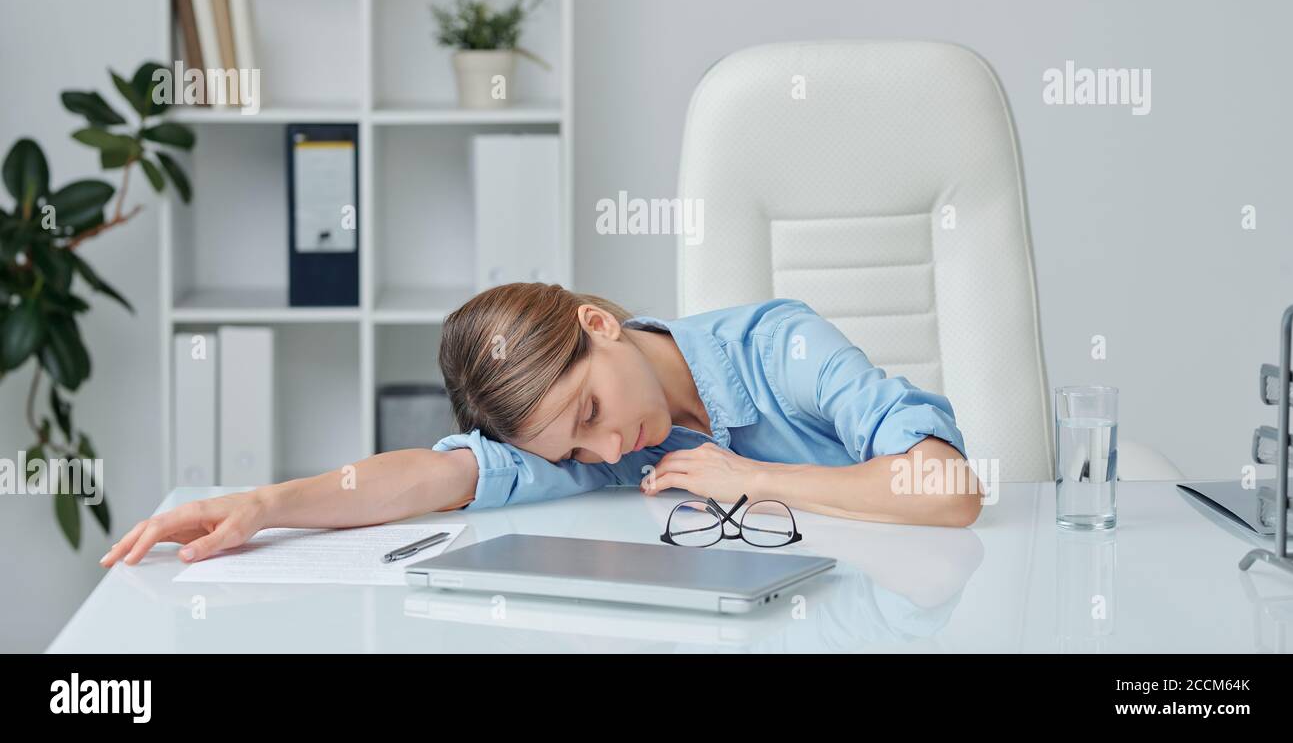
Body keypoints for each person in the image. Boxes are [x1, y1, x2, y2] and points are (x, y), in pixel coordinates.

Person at [101, 283, 982, 567]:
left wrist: (748, 478)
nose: (605, 450)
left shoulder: (778, 346)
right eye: (573, 449)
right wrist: (262, 504)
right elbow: (434, 476)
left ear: (598, 323)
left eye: (591, 412)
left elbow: (949, 490)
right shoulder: (610, 452)